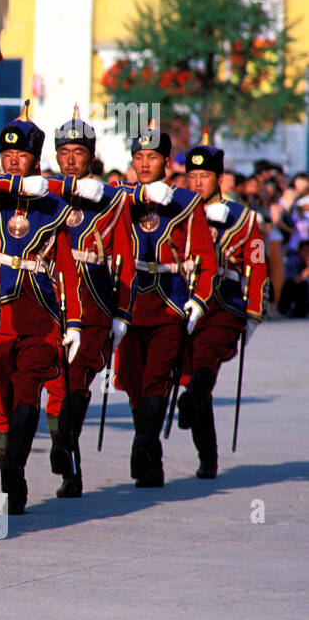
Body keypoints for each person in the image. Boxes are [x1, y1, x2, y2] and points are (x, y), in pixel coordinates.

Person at [0, 106, 83, 513]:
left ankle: (15, 470)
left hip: (40, 315)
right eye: (7, 154)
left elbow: (68, 269)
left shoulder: (53, 207)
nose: (13, 161)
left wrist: (74, 323)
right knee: (0, 402)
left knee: (26, 394)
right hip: (0, 315)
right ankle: (10, 474)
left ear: (36, 160)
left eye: (21, 156)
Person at [32, 108, 136, 498]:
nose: (71, 159)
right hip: (48, 296)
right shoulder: (44, 193)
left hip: (92, 298)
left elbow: (124, 258)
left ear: (90, 156)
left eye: (78, 152)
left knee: (73, 383)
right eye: (64, 152)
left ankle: (67, 458)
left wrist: (122, 311)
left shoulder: (110, 201)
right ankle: (67, 458)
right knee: (55, 384)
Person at [115, 124, 216, 488]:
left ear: (166, 162)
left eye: (152, 157)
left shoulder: (187, 202)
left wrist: (199, 301)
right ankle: (150, 460)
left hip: (169, 300)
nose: (144, 164)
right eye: (139, 157)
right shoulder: (118, 197)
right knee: (131, 380)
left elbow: (206, 256)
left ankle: (142, 444)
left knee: (157, 378)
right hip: (127, 301)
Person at [177, 143, 266, 478]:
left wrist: (255, 313)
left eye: (205, 176)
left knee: (206, 360)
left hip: (224, 302)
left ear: (220, 179)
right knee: (195, 377)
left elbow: (257, 266)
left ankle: (191, 406)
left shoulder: (244, 218)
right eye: (193, 176)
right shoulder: (177, 210)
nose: (198, 182)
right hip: (185, 297)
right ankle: (208, 456)